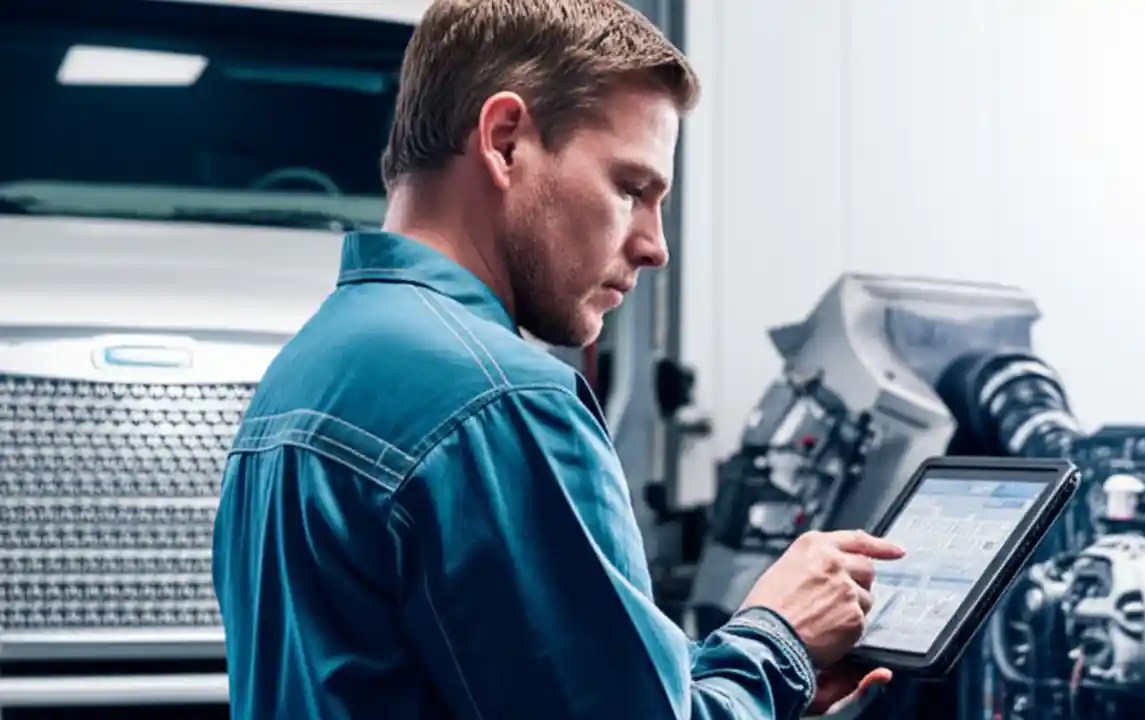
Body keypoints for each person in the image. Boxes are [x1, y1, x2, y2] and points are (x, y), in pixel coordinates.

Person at [211, 1, 906, 718]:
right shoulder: (501, 401)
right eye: (631, 189)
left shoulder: (306, 371)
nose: (655, 246)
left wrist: (728, 673)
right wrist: (777, 640)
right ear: (506, 141)